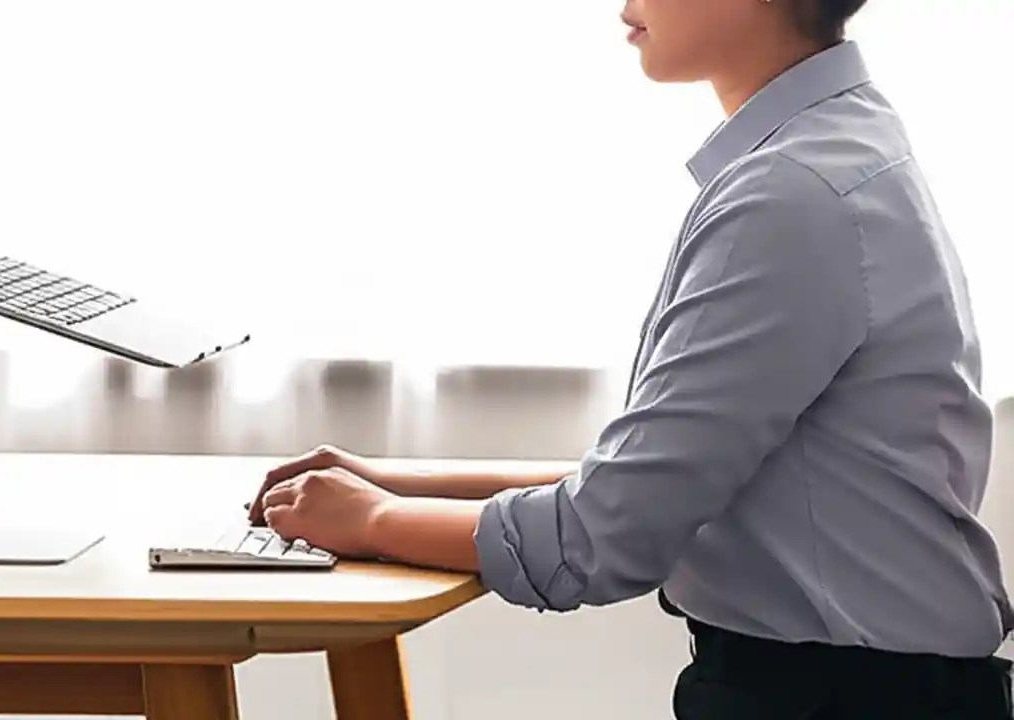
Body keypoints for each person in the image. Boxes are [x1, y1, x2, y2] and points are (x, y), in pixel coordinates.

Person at [248, 0, 1014, 716]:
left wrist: (375, 519)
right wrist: (391, 483)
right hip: (861, 682)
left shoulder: (793, 193)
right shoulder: (832, 151)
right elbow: (643, 481)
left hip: (839, 694)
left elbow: (602, 535)